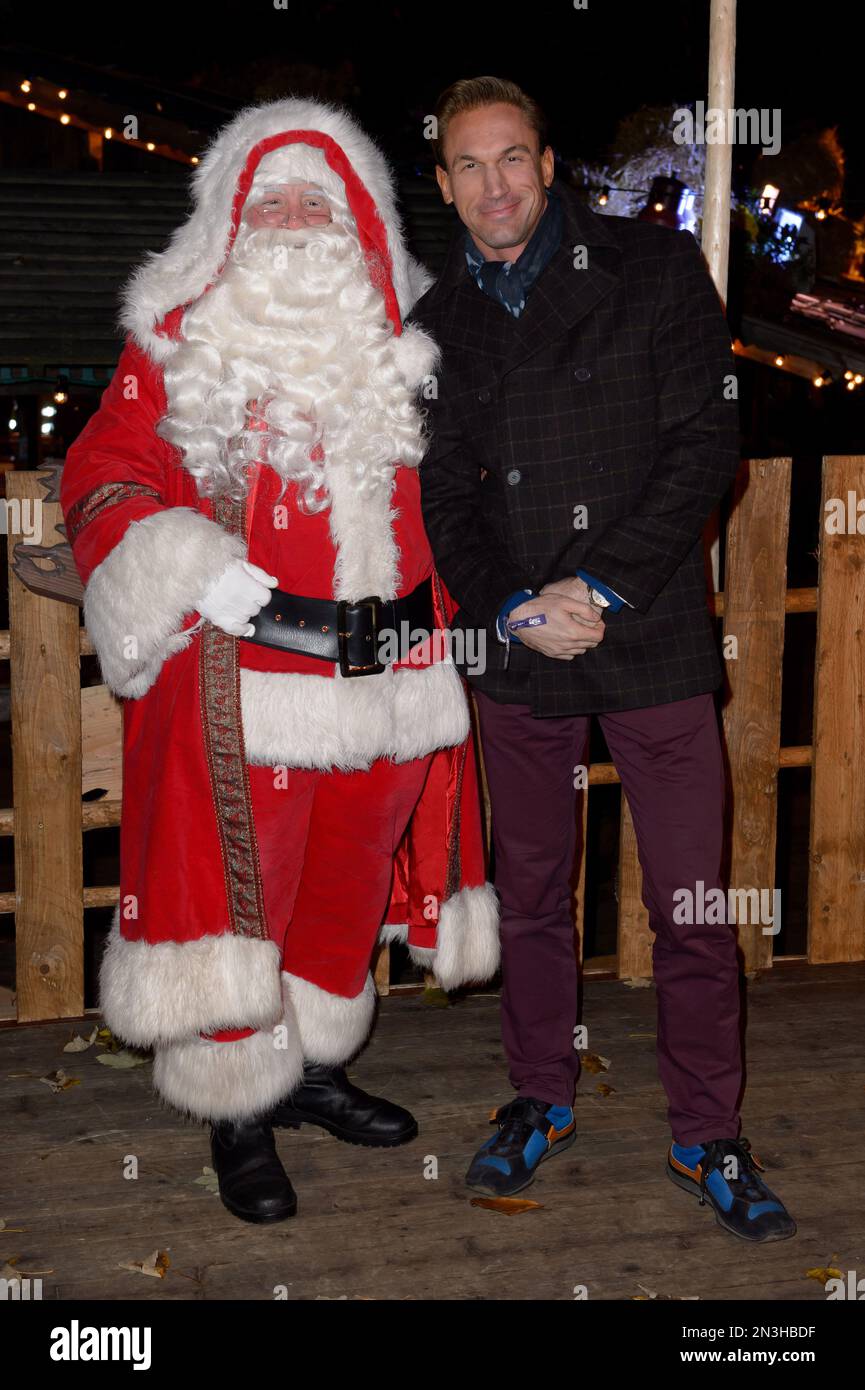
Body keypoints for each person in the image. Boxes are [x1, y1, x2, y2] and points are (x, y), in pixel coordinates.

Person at [60, 98, 499, 1226]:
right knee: (241, 898)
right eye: (272, 202)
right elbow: (103, 469)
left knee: (346, 887)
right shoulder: (176, 342)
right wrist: (185, 560)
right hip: (249, 679)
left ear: (357, 218)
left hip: (393, 677)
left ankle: (310, 1067)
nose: (297, 222)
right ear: (230, 223)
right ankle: (236, 1107)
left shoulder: (413, 342)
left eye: (319, 199)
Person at [411, 75, 795, 1242]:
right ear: (444, 185)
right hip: (524, 644)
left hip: (650, 624)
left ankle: (705, 1132)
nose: (495, 184)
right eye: (469, 166)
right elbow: (445, 496)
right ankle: (539, 1093)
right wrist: (516, 601)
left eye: (512, 158)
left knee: (688, 899)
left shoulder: (651, 269)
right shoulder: (436, 326)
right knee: (530, 897)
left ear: (549, 163)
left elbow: (704, 443)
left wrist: (599, 583)